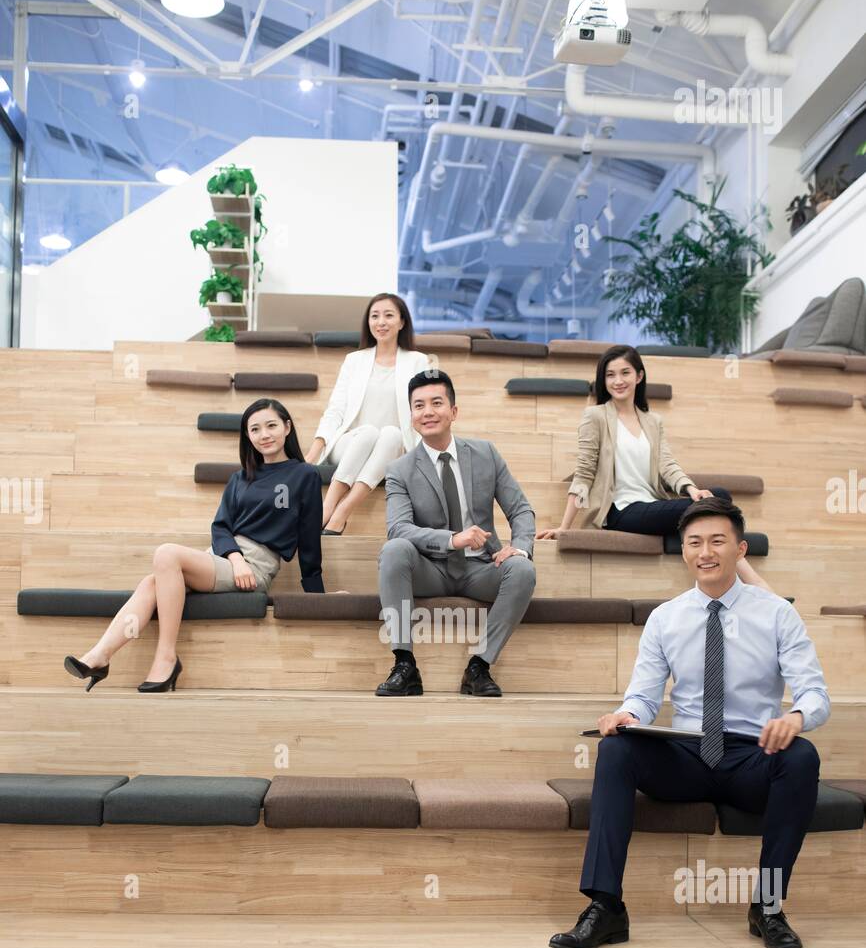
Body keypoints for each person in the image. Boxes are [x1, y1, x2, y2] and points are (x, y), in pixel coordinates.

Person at [549, 497, 830, 948]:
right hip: (689, 753)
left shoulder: (778, 614)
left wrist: (795, 719)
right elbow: (643, 694)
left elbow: (815, 694)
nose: (705, 552)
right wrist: (627, 715)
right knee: (617, 750)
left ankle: (768, 906)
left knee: (802, 757)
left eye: (717, 541)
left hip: (751, 755)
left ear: (740, 550)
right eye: (694, 542)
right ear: (683, 552)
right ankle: (606, 907)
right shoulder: (666, 618)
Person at [63, 398, 323, 694]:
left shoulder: (305, 475)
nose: (264, 434)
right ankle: (100, 655)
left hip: (255, 566)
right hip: (224, 559)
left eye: (271, 425)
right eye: (255, 429)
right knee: (151, 583)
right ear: (247, 436)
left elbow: (309, 538)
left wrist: (318, 596)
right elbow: (220, 527)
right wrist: (234, 558)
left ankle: (166, 656)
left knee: (166, 554)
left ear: (287, 427)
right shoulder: (241, 478)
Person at [537, 344, 770, 589]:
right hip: (619, 511)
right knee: (715, 505)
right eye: (610, 374)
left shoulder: (652, 421)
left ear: (639, 376)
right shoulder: (595, 416)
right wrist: (564, 527)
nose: (618, 381)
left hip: (650, 504)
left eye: (625, 373)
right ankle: (751, 580)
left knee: (718, 495)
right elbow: (584, 472)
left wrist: (692, 490)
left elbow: (667, 466)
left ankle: (734, 577)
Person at [376, 369, 536, 698]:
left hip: (481, 568)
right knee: (394, 550)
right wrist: (451, 539)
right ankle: (404, 664)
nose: (428, 411)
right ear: (412, 416)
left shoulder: (485, 454)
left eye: (437, 402)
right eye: (419, 405)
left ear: (454, 411)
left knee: (523, 569)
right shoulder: (400, 470)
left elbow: (521, 509)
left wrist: (519, 547)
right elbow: (399, 527)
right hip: (430, 568)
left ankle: (479, 667)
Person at [305, 292, 431, 535]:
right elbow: (336, 410)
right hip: (352, 443)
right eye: (375, 316)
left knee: (392, 433)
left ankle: (342, 512)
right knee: (369, 432)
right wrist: (313, 451)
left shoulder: (419, 362)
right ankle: (327, 507)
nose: (381, 322)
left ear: (402, 322)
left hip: (394, 446)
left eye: (388, 315)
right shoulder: (354, 360)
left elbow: (424, 411)